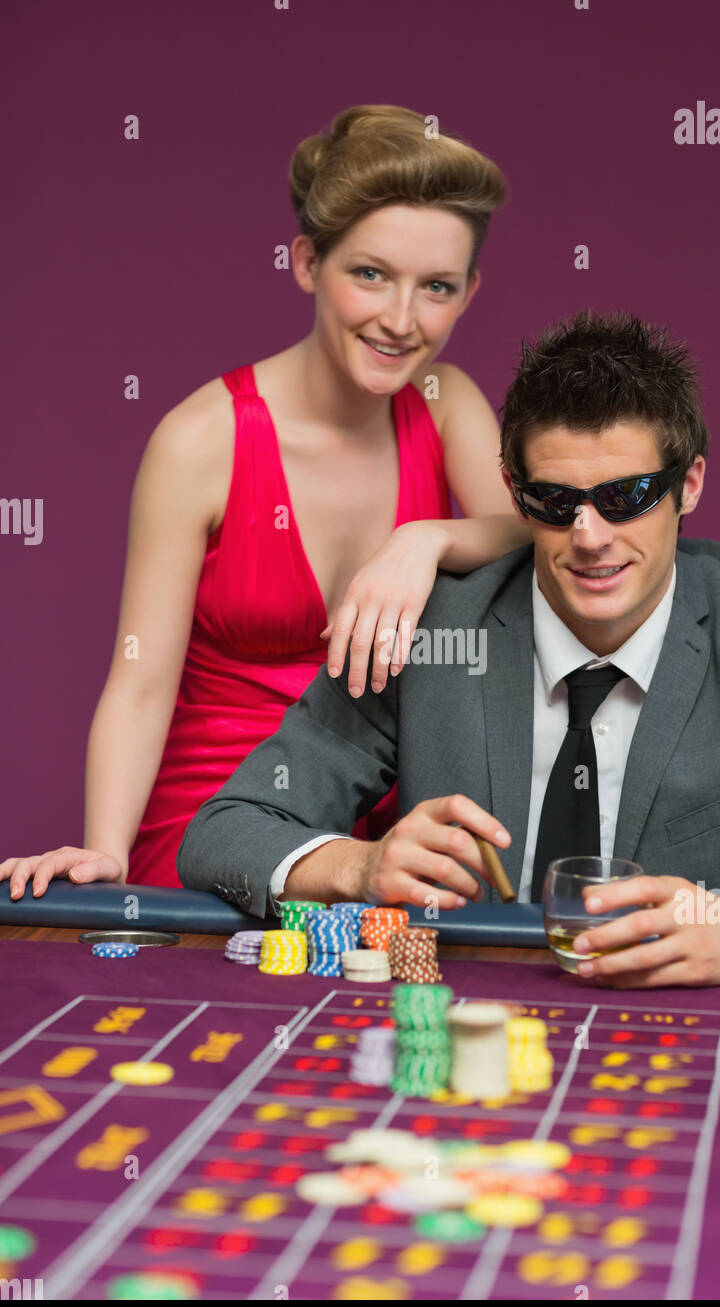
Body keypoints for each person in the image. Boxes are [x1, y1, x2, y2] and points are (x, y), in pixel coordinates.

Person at [176, 310, 720, 988]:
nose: (591, 536)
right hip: (472, 1033)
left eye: (626, 497)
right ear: (515, 492)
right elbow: (226, 831)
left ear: (689, 485)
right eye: (556, 502)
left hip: (701, 1043)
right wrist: (358, 867)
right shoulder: (432, 631)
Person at [1, 104, 530, 903]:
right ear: (306, 261)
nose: (400, 320)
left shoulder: (444, 400)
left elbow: (533, 533)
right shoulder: (199, 439)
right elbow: (141, 679)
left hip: (384, 833)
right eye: (370, 274)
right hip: (216, 833)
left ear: (471, 291)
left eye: (437, 288)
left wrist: (424, 539)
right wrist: (104, 851)